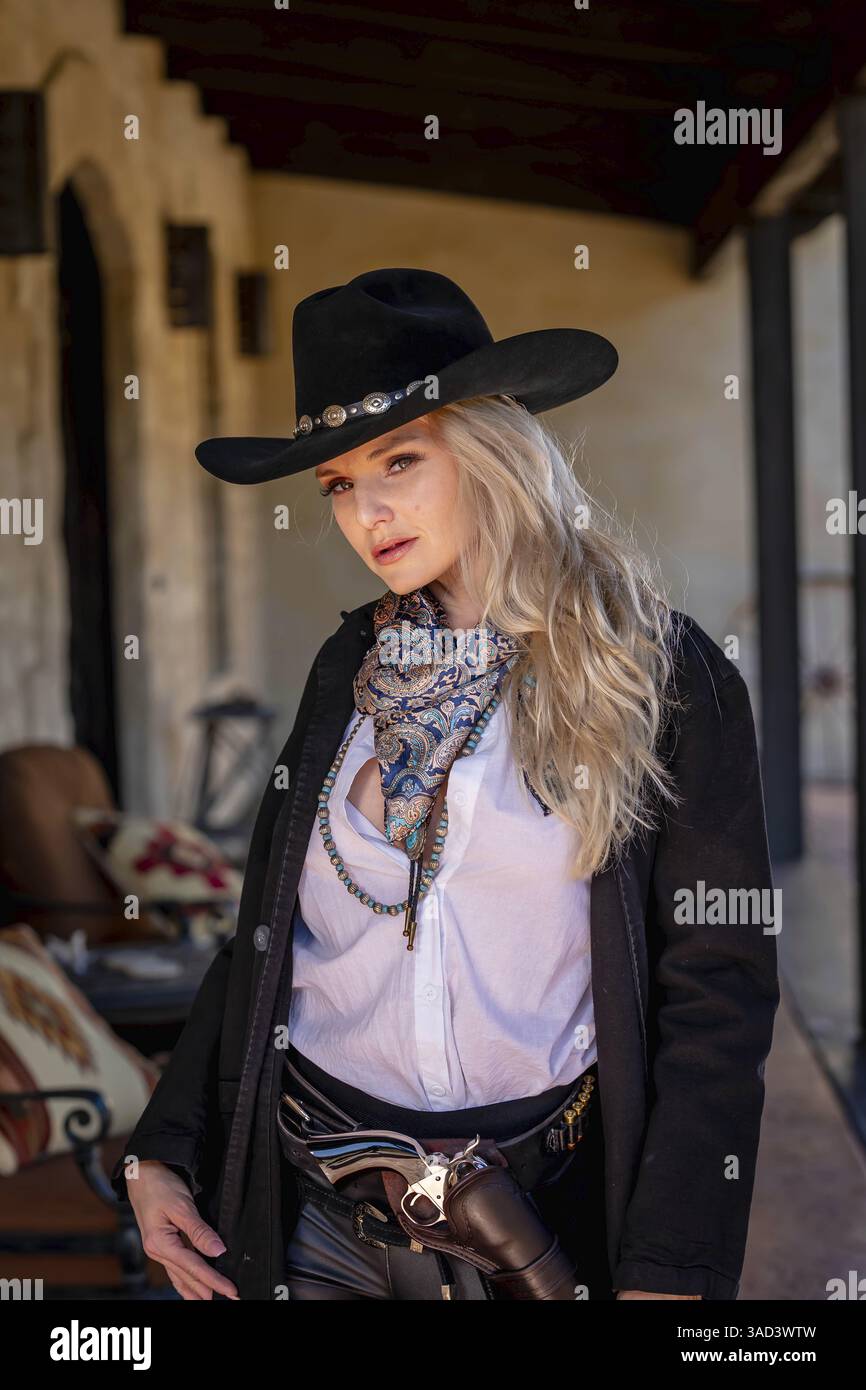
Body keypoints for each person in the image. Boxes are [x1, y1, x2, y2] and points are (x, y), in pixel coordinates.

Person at [110, 267, 780, 1302]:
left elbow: (715, 993)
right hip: (312, 1206)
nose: (365, 511)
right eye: (335, 483)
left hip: (529, 1219)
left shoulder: (658, 672)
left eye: (397, 462)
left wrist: (670, 1268)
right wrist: (162, 1150)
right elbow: (263, 943)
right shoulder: (347, 669)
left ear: (486, 447)